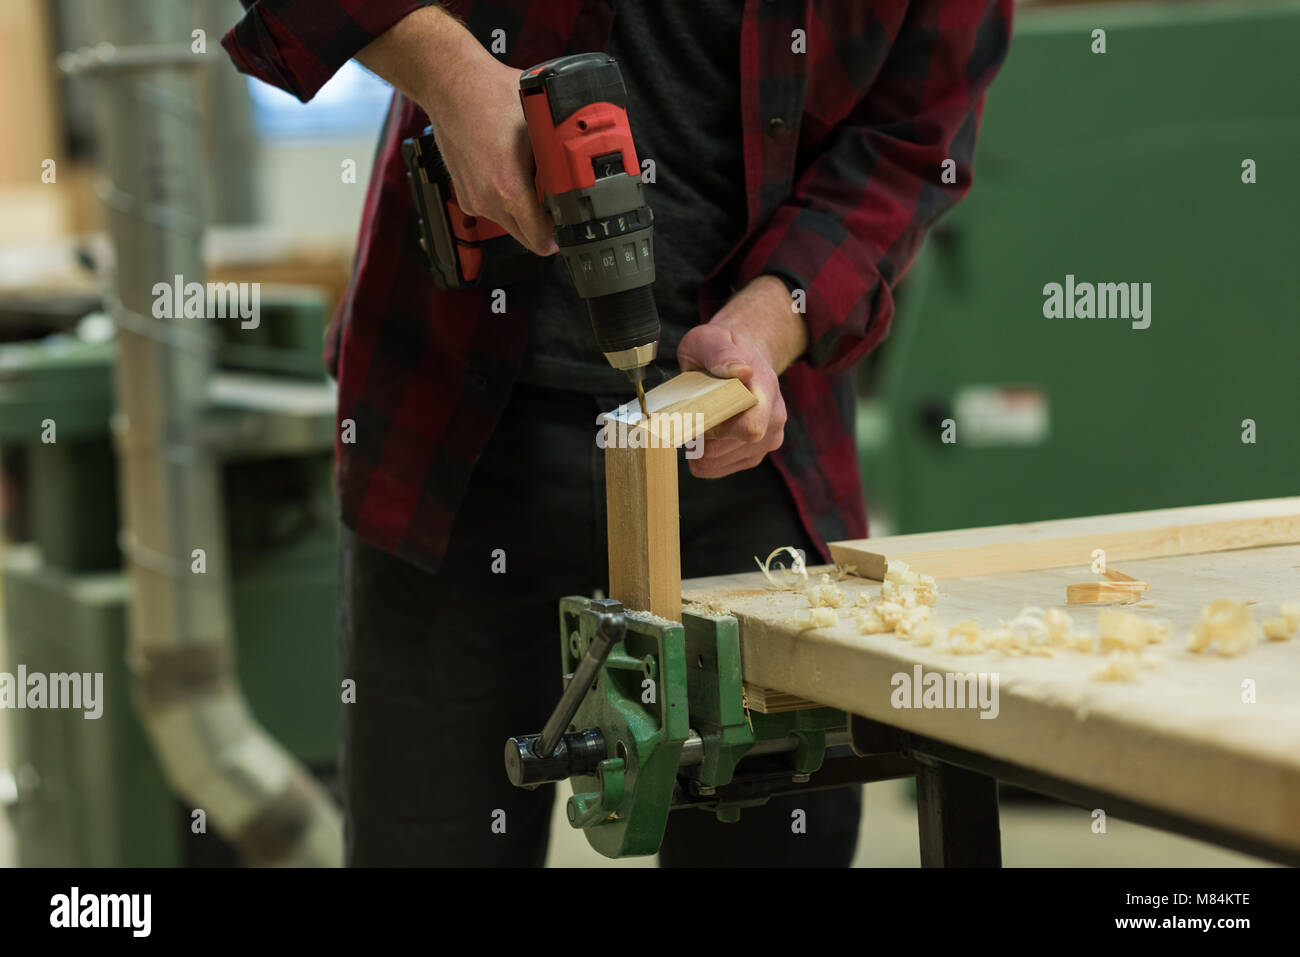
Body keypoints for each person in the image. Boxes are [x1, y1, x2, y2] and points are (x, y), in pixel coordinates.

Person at [223, 0, 1012, 866]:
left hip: (749, 455)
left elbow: (912, 143)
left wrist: (768, 321)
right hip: (450, 444)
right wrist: (452, 76)